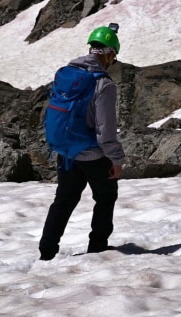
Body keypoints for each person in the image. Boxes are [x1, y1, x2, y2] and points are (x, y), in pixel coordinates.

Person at [39, 24, 125, 260]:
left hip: (66, 152)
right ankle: (97, 249)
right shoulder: (103, 84)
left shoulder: (67, 73)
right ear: (109, 53)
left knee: (63, 201)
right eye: (113, 57)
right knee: (106, 197)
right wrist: (116, 160)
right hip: (93, 155)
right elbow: (105, 131)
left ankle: (46, 252)